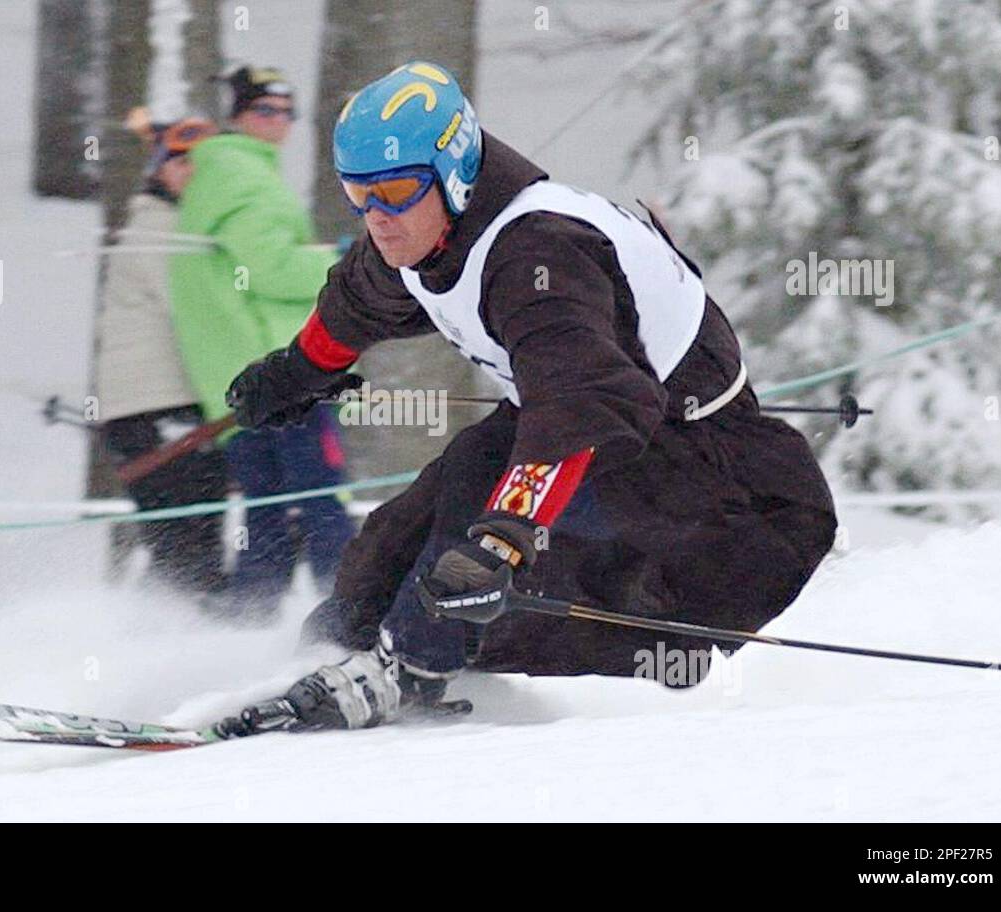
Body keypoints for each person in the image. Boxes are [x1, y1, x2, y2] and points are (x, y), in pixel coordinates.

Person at [223, 61, 838, 731]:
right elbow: (356, 304)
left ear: (454, 170)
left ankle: (409, 669)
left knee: (471, 516)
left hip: (704, 469)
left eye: (394, 191)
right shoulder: (420, 232)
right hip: (583, 422)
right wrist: (293, 373)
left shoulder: (538, 256)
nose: (377, 217)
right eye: (357, 195)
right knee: (392, 537)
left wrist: (504, 541)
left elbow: (581, 403)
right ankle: (330, 657)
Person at [170, 66, 355, 622]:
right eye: (263, 110)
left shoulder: (216, 177)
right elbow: (270, 269)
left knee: (268, 512)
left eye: (286, 111)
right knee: (323, 501)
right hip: (283, 373)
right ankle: (354, 618)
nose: (278, 123)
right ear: (238, 117)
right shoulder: (245, 178)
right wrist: (340, 262)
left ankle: (246, 629)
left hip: (238, 382)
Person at [97, 114, 229, 593]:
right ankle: (168, 640)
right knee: (188, 552)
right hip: (154, 411)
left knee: (188, 544)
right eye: (182, 162)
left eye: (205, 163)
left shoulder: (179, 227)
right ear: (160, 168)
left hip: (169, 408)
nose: (195, 172)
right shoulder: (159, 228)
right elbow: (196, 309)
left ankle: (159, 635)